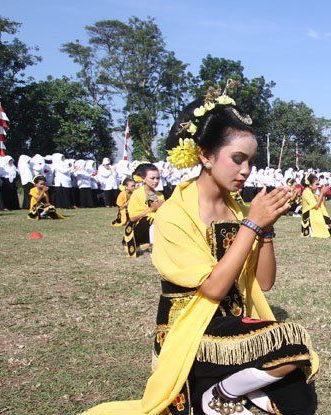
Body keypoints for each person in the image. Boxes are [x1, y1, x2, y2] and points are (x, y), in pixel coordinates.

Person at [83, 89, 318, 415]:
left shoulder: (237, 211)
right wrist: (252, 223)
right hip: (191, 328)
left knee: (299, 399)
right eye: (238, 158)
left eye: (250, 161)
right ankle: (223, 394)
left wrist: (266, 228)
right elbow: (212, 288)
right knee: (292, 341)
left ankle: (223, 396)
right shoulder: (174, 214)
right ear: (205, 156)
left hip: (232, 323)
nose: (246, 170)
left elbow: (264, 283)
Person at [123, 163, 165, 257]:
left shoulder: (160, 195)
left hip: (156, 223)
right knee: (154, 220)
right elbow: (133, 217)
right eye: (152, 178)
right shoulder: (137, 194)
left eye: (158, 178)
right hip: (139, 225)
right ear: (144, 179)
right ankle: (153, 248)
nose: (156, 181)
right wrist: (151, 209)